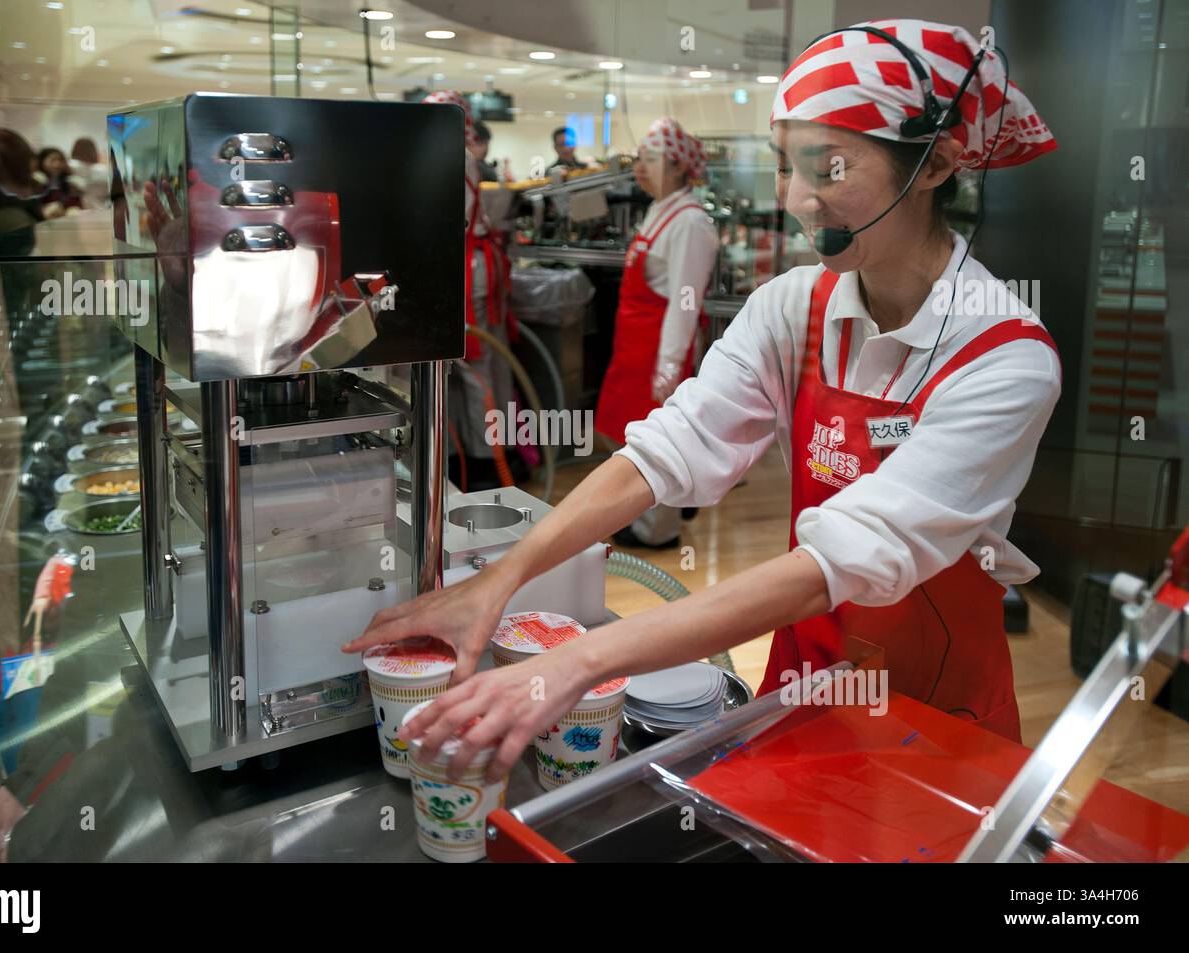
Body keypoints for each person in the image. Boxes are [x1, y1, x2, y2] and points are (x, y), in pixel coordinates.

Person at [345, 18, 1061, 783]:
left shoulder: (1007, 358)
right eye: (789, 166)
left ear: (936, 164)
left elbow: (841, 557)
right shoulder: (797, 307)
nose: (797, 200)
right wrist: (498, 579)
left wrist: (577, 661)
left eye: (830, 167)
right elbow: (668, 451)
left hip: (939, 715)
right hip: (807, 673)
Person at [594, 118, 718, 548]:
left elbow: (685, 301)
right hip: (635, 345)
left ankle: (659, 531)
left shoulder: (690, 223)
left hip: (660, 349)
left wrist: (669, 365)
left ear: (680, 167)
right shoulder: (659, 211)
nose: (640, 168)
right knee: (633, 432)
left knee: (662, 439)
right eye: (640, 159)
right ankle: (640, 517)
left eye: (651, 160)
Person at [422, 91, 517, 490]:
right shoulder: (459, 158)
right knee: (481, 371)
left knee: (475, 372)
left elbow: (440, 223)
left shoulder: (451, 159)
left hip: (465, 271)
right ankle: (485, 457)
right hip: (473, 268)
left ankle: (484, 466)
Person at [35, 147, 83, 214]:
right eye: (53, 160)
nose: (57, 164)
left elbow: (76, 204)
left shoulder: (69, 182)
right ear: (42, 161)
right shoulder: (37, 181)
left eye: (61, 160)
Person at [69, 137, 111, 208]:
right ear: (93, 150)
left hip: (76, 207)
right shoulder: (102, 169)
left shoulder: (70, 166)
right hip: (101, 206)